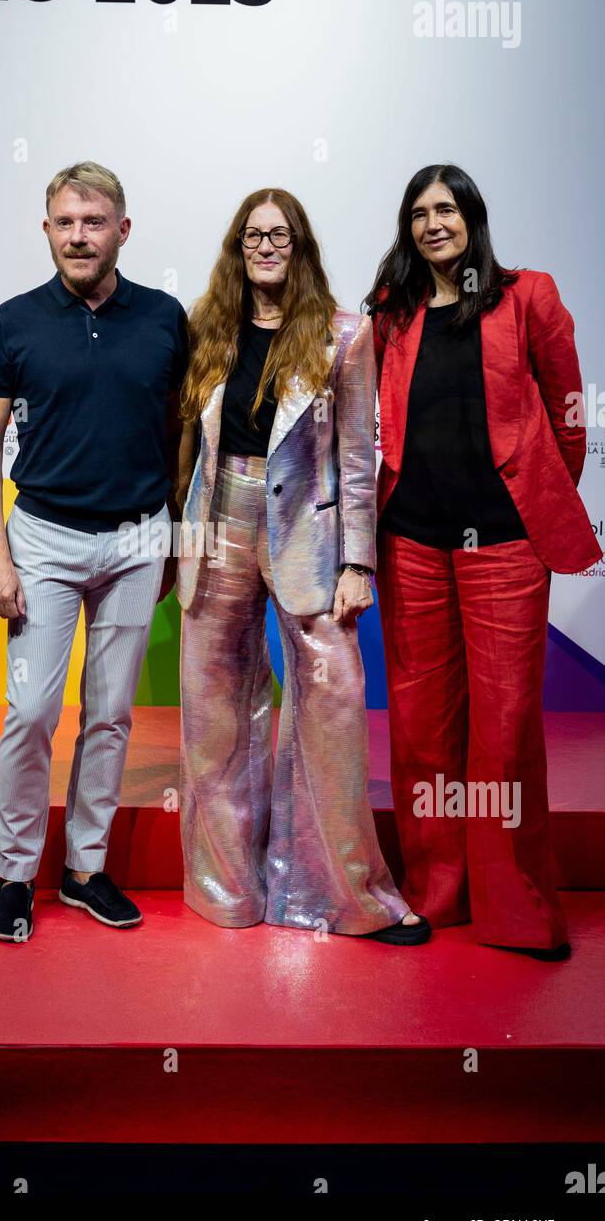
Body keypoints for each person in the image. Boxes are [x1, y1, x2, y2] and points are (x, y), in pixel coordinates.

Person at [175, 188, 429, 944]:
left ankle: (339, 897)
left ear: (300, 244)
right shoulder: (209, 330)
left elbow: (358, 458)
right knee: (215, 711)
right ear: (237, 246)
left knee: (332, 708)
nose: (265, 247)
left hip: (308, 537)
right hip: (218, 522)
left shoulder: (344, 336)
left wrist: (360, 562)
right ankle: (227, 889)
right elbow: (190, 450)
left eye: (279, 234)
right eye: (253, 235)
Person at [366, 162, 601, 959]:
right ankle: (436, 893)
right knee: (424, 732)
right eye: (420, 213)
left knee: (502, 736)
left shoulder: (527, 295)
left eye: (447, 209)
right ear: (408, 228)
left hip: (503, 547)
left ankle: (516, 909)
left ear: (472, 217)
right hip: (411, 543)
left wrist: (535, 503)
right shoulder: (390, 315)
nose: (434, 224)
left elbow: (569, 421)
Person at [0, 161, 188, 942]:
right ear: (46, 229)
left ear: (123, 230)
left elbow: (178, 434)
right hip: (44, 538)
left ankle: (84, 869)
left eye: (94, 222)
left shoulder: (165, 317)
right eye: (65, 222)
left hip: (137, 537)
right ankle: (16, 873)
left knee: (110, 715)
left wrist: (172, 541)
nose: (79, 235)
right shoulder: (16, 323)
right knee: (29, 713)